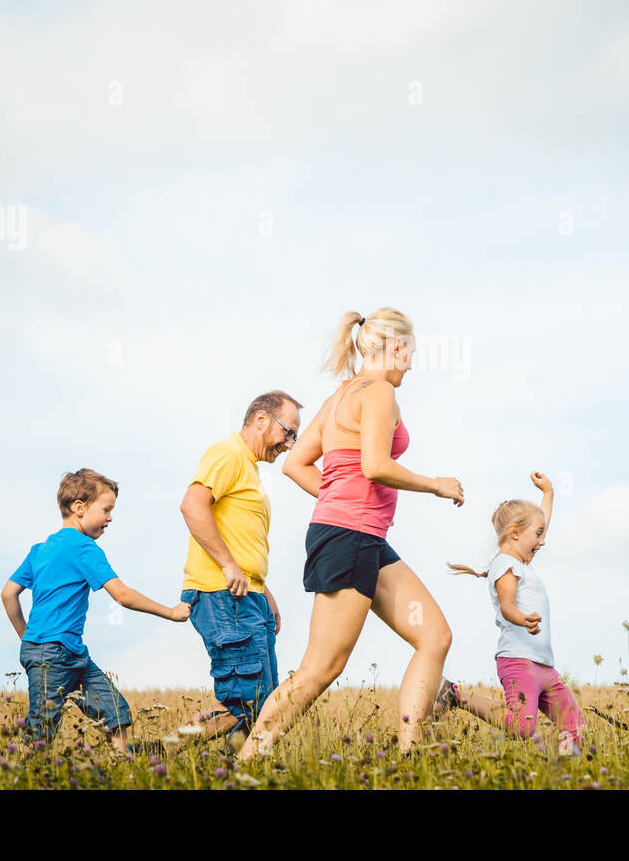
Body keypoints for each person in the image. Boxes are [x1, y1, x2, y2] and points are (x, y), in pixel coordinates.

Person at [236, 308, 465, 761]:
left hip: (359, 535)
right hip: (349, 535)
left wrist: (337, 498)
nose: (412, 362)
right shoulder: (378, 391)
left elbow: (295, 462)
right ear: (394, 346)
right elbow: (375, 465)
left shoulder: (340, 395)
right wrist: (436, 484)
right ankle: (248, 761)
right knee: (319, 669)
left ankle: (410, 754)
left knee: (435, 636)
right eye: (411, 352)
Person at [1, 468, 191, 755]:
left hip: (71, 653)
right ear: (80, 508)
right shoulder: (84, 549)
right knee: (40, 733)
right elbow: (123, 595)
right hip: (53, 655)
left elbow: (8, 594)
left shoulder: (39, 550)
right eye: (106, 509)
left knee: (114, 709)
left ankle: (122, 767)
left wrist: (26, 637)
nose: (110, 517)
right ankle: (18, 777)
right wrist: (171, 612)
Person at [178, 390, 302, 745]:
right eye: (288, 432)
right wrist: (229, 566)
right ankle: (155, 754)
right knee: (247, 699)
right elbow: (192, 506)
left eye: (295, 436)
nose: (291, 444)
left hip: (248, 596)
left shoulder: (249, 468)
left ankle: (236, 770)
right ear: (262, 420)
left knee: (263, 704)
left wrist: (266, 594)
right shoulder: (228, 454)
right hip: (223, 595)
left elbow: (240, 541)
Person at [448, 471, 585, 752]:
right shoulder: (504, 565)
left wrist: (548, 494)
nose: (542, 540)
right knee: (522, 727)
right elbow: (507, 606)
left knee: (575, 726)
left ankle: (568, 772)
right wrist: (524, 620)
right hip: (518, 661)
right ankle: (455, 695)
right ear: (514, 533)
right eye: (537, 534)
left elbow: (539, 524)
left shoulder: (523, 564)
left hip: (545, 665)